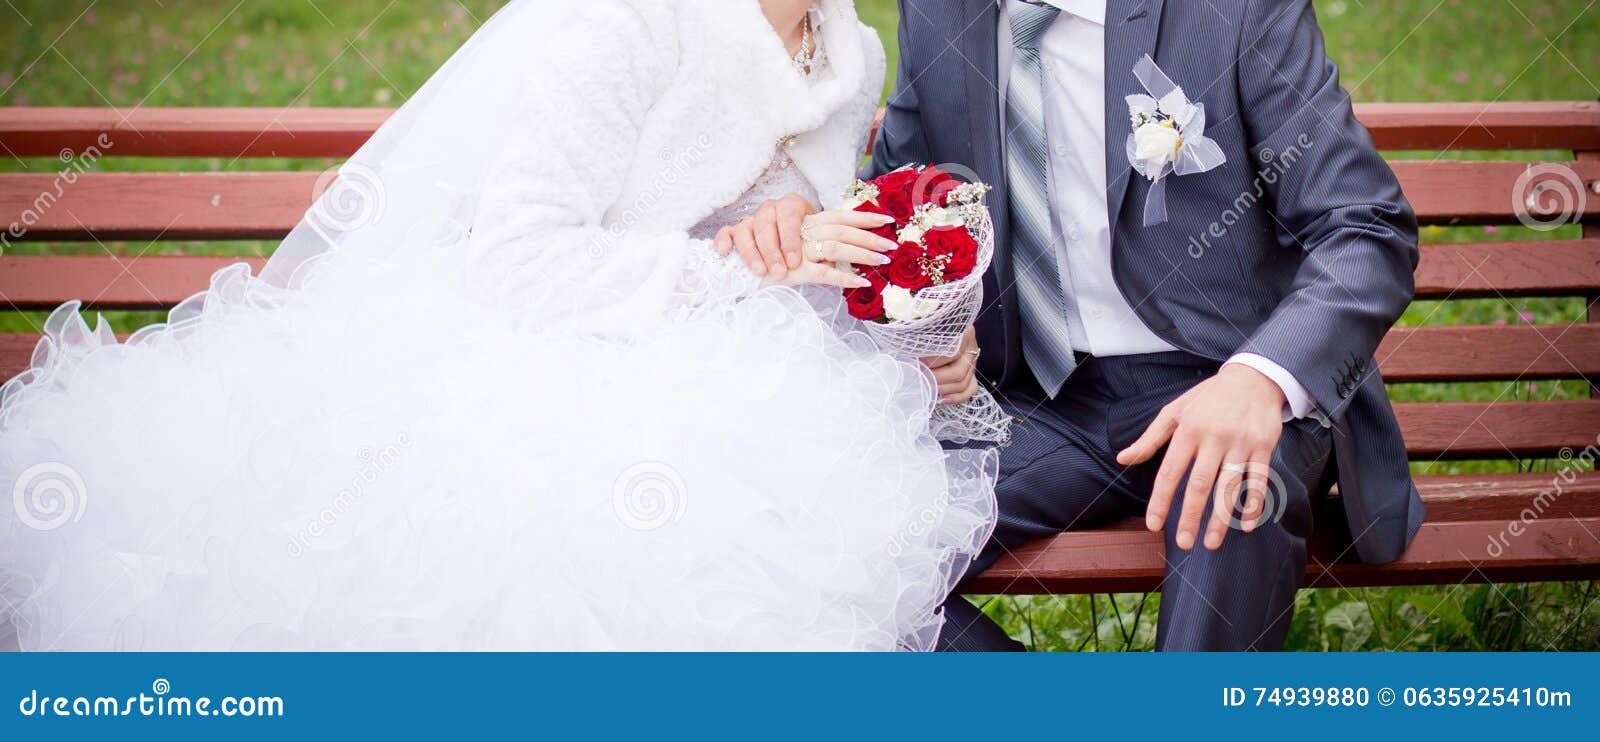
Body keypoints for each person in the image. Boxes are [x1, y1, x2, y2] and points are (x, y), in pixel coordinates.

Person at [0, 0, 998, 651]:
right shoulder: (635, 24)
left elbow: (778, 232)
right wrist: (728, 261)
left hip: (747, 379)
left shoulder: (853, 51)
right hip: (548, 367)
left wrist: (782, 240)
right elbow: (518, 256)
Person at [722, 0, 1423, 650]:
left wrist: (1259, 380)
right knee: (838, 561)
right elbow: (904, 199)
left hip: (1228, 376)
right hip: (1042, 402)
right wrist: (799, 221)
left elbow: (1365, 226)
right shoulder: (942, 11)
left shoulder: (1233, 11)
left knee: (1231, 494)